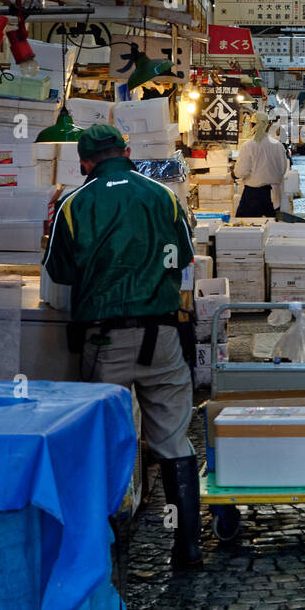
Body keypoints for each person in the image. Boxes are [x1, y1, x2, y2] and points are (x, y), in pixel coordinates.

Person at [42, 124, 200, 571]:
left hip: (104, 339)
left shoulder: (74, 204)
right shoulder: (163, 196)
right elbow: (184, 256)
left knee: (106, 442)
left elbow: (60, 272)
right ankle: (187, 545)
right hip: (163, 336)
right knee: (172, 440)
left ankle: (103, 545)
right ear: (126, 153)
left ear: (84, 162)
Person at [233, 110, 289, 217]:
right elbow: (283, 169)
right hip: (274, 194)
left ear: (251, 125)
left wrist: (232, 175)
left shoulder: (248, 146)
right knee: (272, 229)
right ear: (268, 126)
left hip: (253, 195)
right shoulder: (278, 146)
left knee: (248, 227)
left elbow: (241, 171)